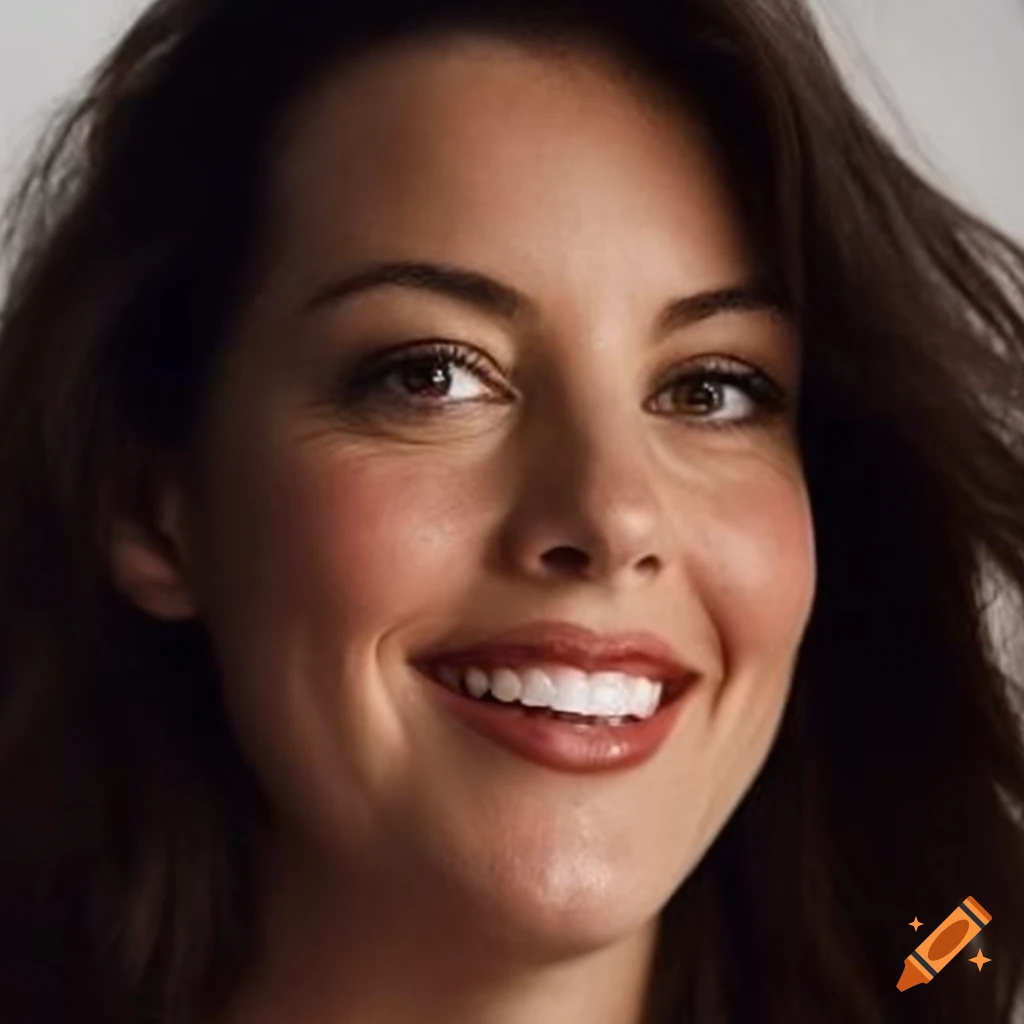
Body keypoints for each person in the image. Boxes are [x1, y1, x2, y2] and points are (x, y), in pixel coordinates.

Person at [1, 0, 1023, 1021]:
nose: (613, 514)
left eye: (710, 388)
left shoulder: (951, 967)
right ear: (152, 508)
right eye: (432, 375)